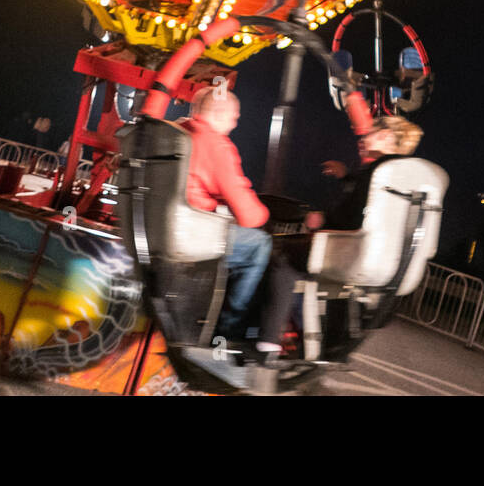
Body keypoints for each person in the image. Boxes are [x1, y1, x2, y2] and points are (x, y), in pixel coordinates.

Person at [256, 116, 422, 363]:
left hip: (349, 252)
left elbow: (351, 216)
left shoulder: (378, 172)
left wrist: (321, 220)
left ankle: (266, 340)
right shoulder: (404, 177)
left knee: (283, 258)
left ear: (387, 136)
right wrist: (346, 177)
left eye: (371, 133)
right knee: (318, 276)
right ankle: (318, 342)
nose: (364, 138)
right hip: (384, 263)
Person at [179, 87, 270, 342]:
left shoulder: (178, 131)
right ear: (220, 114)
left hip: (162, 225)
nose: (235, 123)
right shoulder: (217, 146)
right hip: (190, 233)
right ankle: (228, 333)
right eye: (234, 117)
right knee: (259, 245)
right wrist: (263, 214)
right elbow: (251, 216)